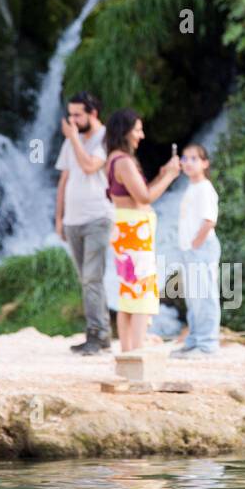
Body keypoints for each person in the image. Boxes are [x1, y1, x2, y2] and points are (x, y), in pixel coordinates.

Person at [104, 108, 180, 351]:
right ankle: (136, 353)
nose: (142, 135)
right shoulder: (124, 162)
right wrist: (169, 176)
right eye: (137, 129)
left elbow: (137, 196)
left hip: (126, 231)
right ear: (124, 132)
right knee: (142, 297)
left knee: (129, 295)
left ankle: (128, 353)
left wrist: (160, 175)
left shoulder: (113, 158)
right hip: (134, 234)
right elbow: (144, 197)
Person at [54, 91, 113, 356]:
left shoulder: (106, 138)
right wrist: (59, 217)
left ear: (93, 113)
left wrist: (74, 138)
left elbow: (90, 166)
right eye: (71, 115)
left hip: (98, 217)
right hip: (73, 219)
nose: (73, 119)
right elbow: (65, 179)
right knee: (86, 279)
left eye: (78, 114)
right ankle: (100, 333)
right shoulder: (71, 140)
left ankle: (97, 334)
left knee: (92, 277)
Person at [170, 143, 221, 359]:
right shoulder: (192, 187)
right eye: (185, 158)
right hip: (190, 250)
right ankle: (193, 341)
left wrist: (195, 244)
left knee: (205, 296)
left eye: (194, 158)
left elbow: (210, 220)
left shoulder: (205, 188)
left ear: (205, 163)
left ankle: (207, 344)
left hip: (201, 249)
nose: (188, 162)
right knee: (193, 298)